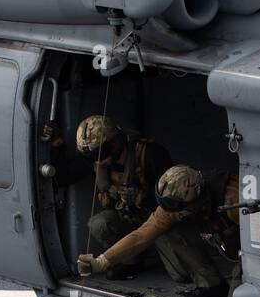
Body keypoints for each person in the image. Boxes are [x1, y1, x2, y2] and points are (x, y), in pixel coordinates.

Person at [79, 164, 241, 297]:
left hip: (248, 253)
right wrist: (102, 261)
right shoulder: (175, 204)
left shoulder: (233, 201)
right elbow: (142, 235)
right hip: (220, 241)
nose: (175, 214)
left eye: (180, 211)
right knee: (173, 235)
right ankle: (211, 285)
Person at [51, 114, 173, 280]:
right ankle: (131, 262)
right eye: (94, 157)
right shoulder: (97, 157)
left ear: (116, 142)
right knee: (99, 224)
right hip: (129, 217)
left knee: (180, 274)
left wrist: (144, 197)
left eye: (103, 153)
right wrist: (57, 144)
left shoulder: (150, 154)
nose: (99, 161)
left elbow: (174, 196)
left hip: (159, 219)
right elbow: (64, 177)